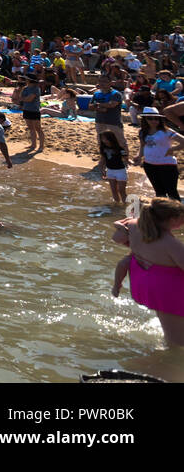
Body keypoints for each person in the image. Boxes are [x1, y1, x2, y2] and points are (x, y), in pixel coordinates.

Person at [111, 198, 184, 345]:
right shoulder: (170, 244)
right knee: (177, 343)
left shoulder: (134, 226)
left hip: (143, 281)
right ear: (172, 220)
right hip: (166, 291)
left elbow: (116, 238)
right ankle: (167, 364)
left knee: (167, 321)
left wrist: (123, 229)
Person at [136, 108, 184, 200]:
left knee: (172, 192)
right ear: (145, 119)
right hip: (149, 165)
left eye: (156, 118)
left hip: (167, 165)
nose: (154, 121)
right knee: (159, 192)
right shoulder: (142, 132)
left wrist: (173, 149)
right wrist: (139, 156)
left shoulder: (166, 131)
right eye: (150, 118)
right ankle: (163, 212)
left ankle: (179, 213)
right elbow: (142, 146)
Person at [99, 129, 131, 206]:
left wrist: (129, 161)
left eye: (105, 139)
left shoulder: (119, 148)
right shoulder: (103, 148)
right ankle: (117, 206)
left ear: (111, 138)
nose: (104, 141)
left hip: (120, 171)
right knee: (114, 190)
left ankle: (125, 206)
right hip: (110, 171)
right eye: (102, 139)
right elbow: (103, 160)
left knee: (121, 191)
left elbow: (126, 158)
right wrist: (102, 170)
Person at [16, 74, 45, 151]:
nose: (25, 80)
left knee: (38, 128)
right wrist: (20, 91)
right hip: (26, 109)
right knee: (31, 128)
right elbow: (19, 98)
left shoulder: (36, 89)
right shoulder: (25, 88)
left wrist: (22, 99)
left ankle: (41, 146)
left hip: (34, 110)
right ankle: (33, 145)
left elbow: (29, 99)